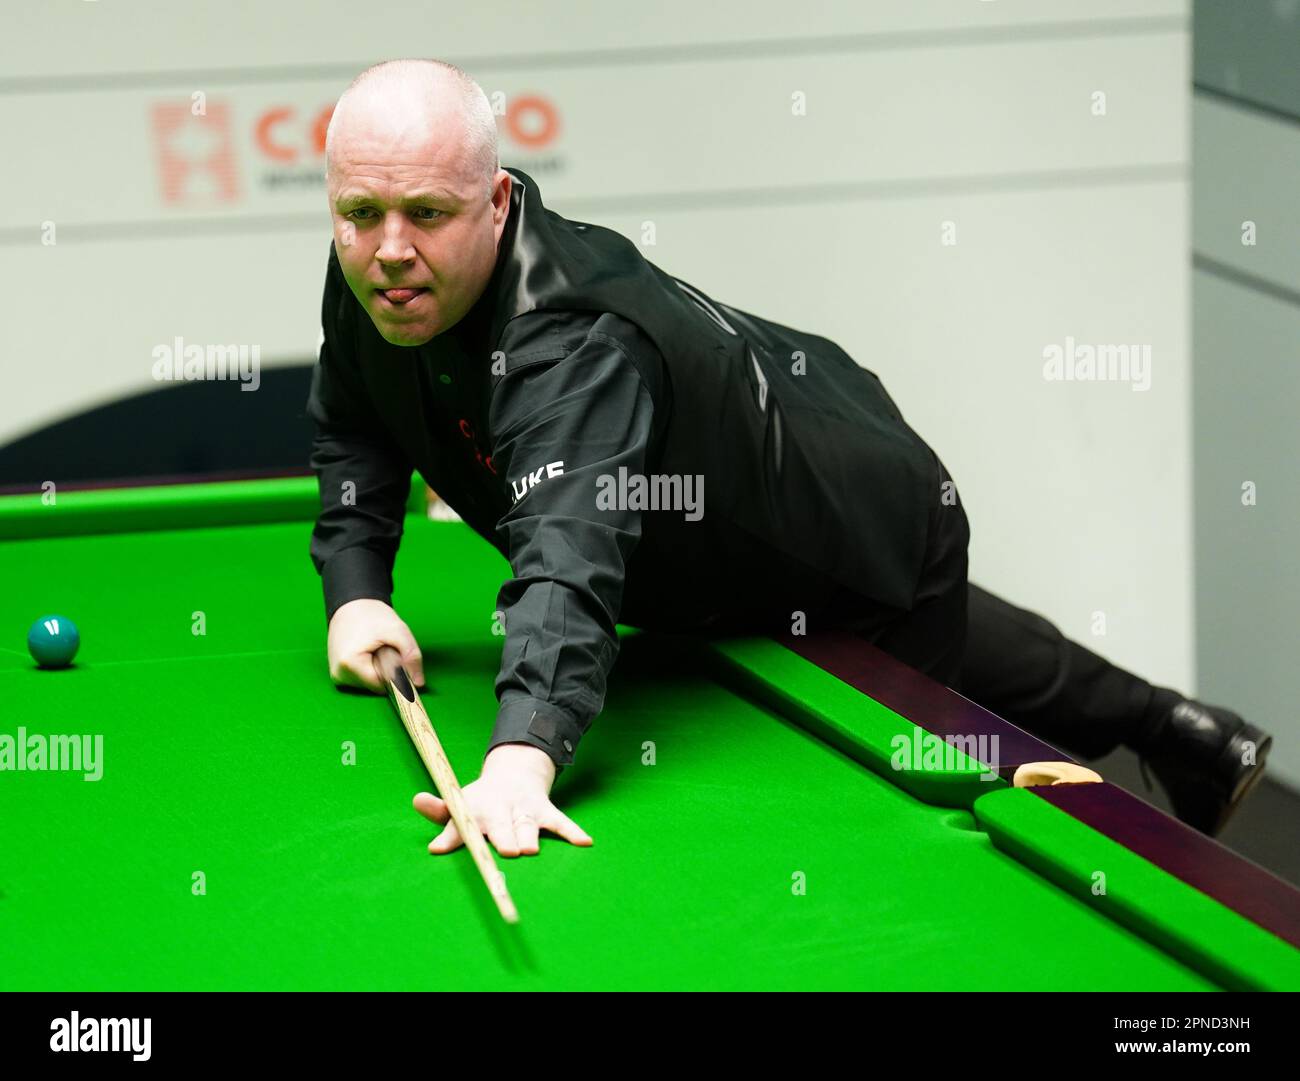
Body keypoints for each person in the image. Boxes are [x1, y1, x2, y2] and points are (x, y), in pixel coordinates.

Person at [309, 58, 1271, 857]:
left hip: (855, 502)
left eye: (428, 214)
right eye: (362, 213)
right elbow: (356, 419)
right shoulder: (380, 266)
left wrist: (522, 757)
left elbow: (565, 560)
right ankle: (1180, 729)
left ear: (497, 200)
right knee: (907, 613)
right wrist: (358, 584)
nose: (389, 249)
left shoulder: (572, 346)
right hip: (740, 529)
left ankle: (1120, 831)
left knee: (900, 780)